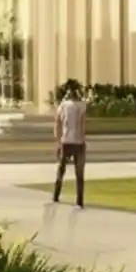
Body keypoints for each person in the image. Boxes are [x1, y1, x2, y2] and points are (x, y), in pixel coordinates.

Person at [52, 80, 88, 208]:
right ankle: (79, 200)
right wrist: (83, 139)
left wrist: (58, 141)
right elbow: (82, 125)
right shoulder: (82, 105)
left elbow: (57, 123)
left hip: (66, 141)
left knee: (61, 170)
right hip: (78, 142)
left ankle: (56, 195)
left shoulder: (63, 105)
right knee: (79, 173)